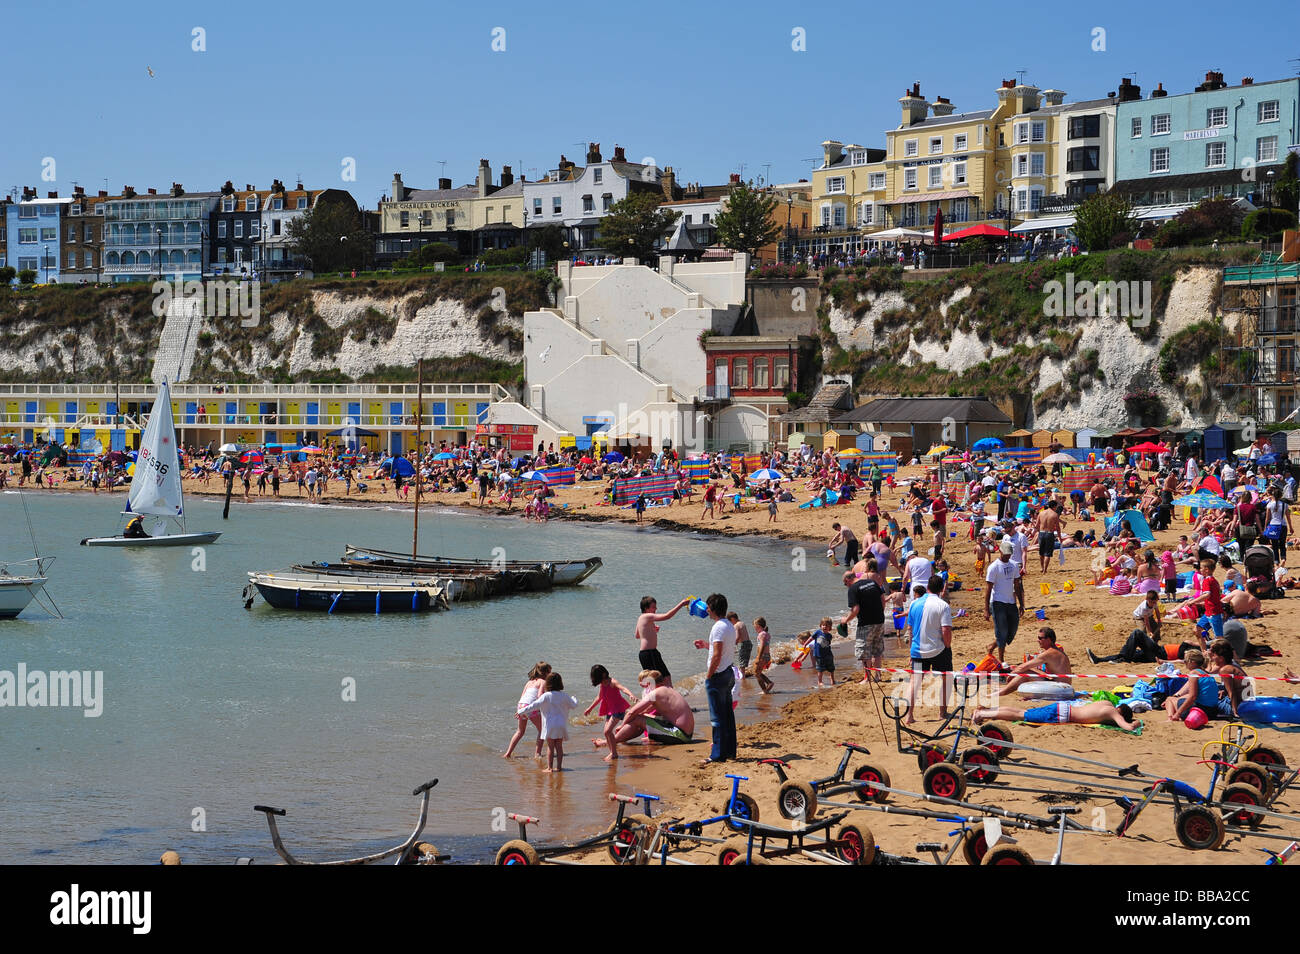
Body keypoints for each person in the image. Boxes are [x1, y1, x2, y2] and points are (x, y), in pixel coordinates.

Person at [594, 670, 695, 749]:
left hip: (680, 735)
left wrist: (621, 726)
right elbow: (644, 711)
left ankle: (610, 742)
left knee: (637, 718)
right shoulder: (668, 689)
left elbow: (632, 712)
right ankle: (616, 740)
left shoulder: (655, 693)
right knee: (640, 718)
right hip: (686, 734)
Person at [906, 576, 953, 724]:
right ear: (941, 589)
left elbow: (910, 629)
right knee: (946, 679)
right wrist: (947, 646)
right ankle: (942, 712)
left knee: (915, 682)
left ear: (927, 587)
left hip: (918, 649)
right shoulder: (943, 605)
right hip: (938, 649)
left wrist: (911, 652)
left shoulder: (914, 603)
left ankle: (909, 716)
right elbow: (946, 630)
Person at [698, 593, 737, 765]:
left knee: (717, 718)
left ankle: (717, 755)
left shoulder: (718, 627)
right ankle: (729, 751)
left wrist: (709, 676)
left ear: (713, 609)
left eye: (708, 607)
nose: (706, 609)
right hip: (728, 672)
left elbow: (717, 655)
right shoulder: (728, 625)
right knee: (727, 714)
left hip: (719, 675)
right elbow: (721, 649)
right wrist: (706, 645)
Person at [517, 672, 579, 772]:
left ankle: (549, 768)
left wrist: (520, 711)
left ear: (548, 684)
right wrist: (574, 699)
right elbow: (574, 705)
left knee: (550, 747)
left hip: (550, 725)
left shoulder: (546, 696)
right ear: (560, 683)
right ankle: (559, 767)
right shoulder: (564, 696)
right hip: (561, 725)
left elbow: (533, 706)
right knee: (559, 746)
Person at [974, 700, 1141, 732]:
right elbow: (1127, 726)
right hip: (1061, 714)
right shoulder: (1112, 713)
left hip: (1063, 708)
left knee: (1021, 712)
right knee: (1020, 715)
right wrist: (1136, 722)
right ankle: (983, 713)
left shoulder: (1107, 703)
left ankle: (988, 710)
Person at [583, 664, 637, 761]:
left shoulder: (612, 682)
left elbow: (623, 688)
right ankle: (612, 752)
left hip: (618, 709)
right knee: (606, 732)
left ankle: (614, 753)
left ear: (603, 674)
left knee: (608, 731)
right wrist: (590, 708)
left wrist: (631, 695)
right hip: (610, 710)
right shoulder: (602, 684)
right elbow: (599, 697)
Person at [997, 627, 1073, 696]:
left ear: (1048, 640)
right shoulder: (1055, 651)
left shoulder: (1049, 653)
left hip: (1061, 689)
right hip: (1064, 686)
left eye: (1040, 638)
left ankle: (1002, 692)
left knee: (1024, 674)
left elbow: (1023, 666)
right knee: (1027, 670)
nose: (1038, 640)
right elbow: (1029, 667)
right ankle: (1004, 689)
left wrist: (1012, 674)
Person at [985, 538, 1025, 663]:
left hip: (1011, 602)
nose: (1007, 556)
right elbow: (988, 589)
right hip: (997, 602)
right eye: (1006, 554)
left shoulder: (1013, 565)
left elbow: (1017, 585)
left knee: (1011, 631)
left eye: (1009, 555)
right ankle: (1002, 661)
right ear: (1000, 552)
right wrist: (986, 609)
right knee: (1001, 631)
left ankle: (992, 646)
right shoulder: (994, 567)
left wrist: (1021, 604)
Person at [844, 567, 886, 684]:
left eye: (844, 583)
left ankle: (867, 678)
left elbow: (855, 609)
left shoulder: (853, 589)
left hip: (865, 623)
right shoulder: (872, 582)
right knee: (877, 649)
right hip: (879, 620)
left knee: (864, 651)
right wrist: (880, 613)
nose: (845, 586)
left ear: (848, 580)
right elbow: (883, 599)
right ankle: (878, 676)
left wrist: (845, 620)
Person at [635, 595, 689, 687]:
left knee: (664, 677)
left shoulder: (641, 618)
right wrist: (681, 604)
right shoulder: (647, 616)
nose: (656, 608)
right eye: (653, 607)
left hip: (648, 653)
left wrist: (652, 630)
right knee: (659, 680)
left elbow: (637, 635)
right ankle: (664, 698)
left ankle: (664, 698)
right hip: (649, 653)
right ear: (646, 608)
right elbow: (667, 616)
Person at [504, 661, 550, 758]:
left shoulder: (529, 682)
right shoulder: (543, 682)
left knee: (520, 731)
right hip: (531, 706)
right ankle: (537, 753)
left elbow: (522, 696)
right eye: (549, 672)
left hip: (521, 706)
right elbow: (540, 696)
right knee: (542, 730)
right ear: (545, 672)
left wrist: (520, 711)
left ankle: (508, 753)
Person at [1164, 650, 1220, 723]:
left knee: (1169, 699)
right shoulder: (1205, 673)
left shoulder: (1194, 673)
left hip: (1199, 712)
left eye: (1185, 661)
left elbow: (1192, 697)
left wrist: (1178, 713)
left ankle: (1171, 718)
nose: (1185, 663)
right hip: (1213, 711)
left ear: (1192, 662)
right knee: (1180, 698)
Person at [1263, 486, 1292, 565]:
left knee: (1275, 545)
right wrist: (1291, 527)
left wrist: (1265, 527)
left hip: (1273, 525)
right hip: (1283, 525)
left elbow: (1267, 518)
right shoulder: (1284, 505)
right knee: (1282, 544)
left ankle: (1276, 561)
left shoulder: (1269, 505)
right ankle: (1283, 558)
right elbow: (1288, 517)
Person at [809, 616, 836, 688]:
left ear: (830, 628)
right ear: (820, 626)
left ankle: (832, 679)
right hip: (819, 655)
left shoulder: (829, 635)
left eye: (827, 626)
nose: (825, 627)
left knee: (831, 668)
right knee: (820, 669)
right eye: (823, 625)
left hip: (828, 654)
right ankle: (820, 681)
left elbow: (828, 644)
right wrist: (805, 644)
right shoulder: (818, 632)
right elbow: (811, 638)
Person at [753, 617, 774, 694]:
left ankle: (765, 689)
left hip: (763, 656)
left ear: (758, 625)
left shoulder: (762, 634)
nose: (754, 628)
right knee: (757, 672)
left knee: (756, 673)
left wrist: (758, 657)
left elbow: (762, 646)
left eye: (755, 626)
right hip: (766, 655)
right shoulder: (766, 634)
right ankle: (768, 684)